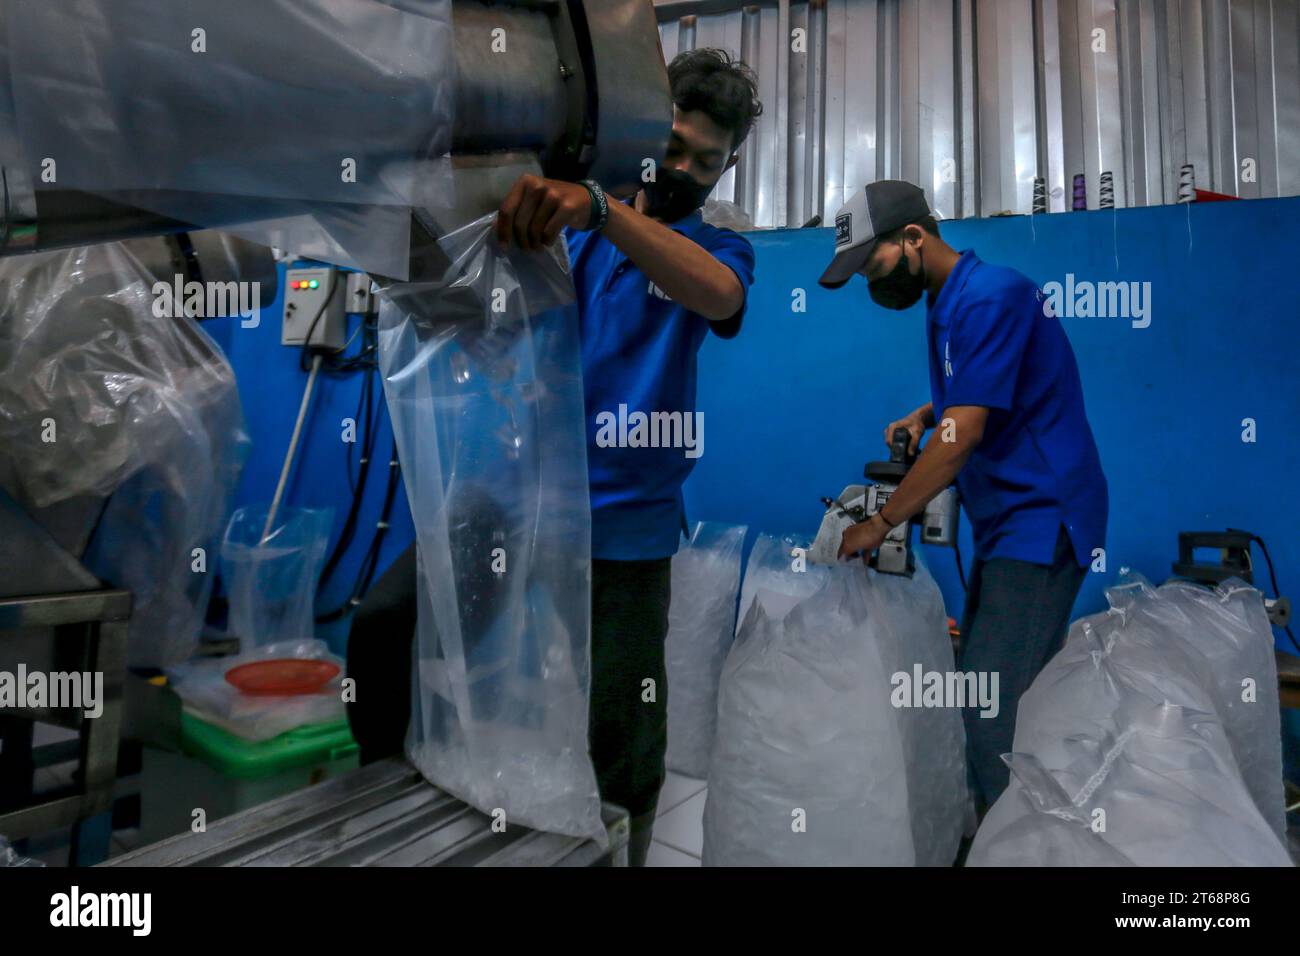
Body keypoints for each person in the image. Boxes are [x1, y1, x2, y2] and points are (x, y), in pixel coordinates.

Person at [348, 49, 762, 866]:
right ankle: (390, 810)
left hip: (623, 523)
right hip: (506, 495)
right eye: (672, 146)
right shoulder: (565, 225)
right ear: (646, 132)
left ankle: (625, 853)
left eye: (704, 161)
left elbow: (719, 295)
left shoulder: (706, 245)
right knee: (387, 630)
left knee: (622, 722)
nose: (683, 170)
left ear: (729, 166)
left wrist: (602, 208)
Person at [818, 180, 1108, 815]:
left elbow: (963, 437)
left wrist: (882, 522)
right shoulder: (954, 299)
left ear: (914, 237)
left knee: (994, 712)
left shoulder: (990, 297)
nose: (873, 283)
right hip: (1009, 522)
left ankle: (1031, 850)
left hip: (1042, 518)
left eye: (875, 265)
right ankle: (1000, 837)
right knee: (987, 685)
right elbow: (979, 391)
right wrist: (928, 412)